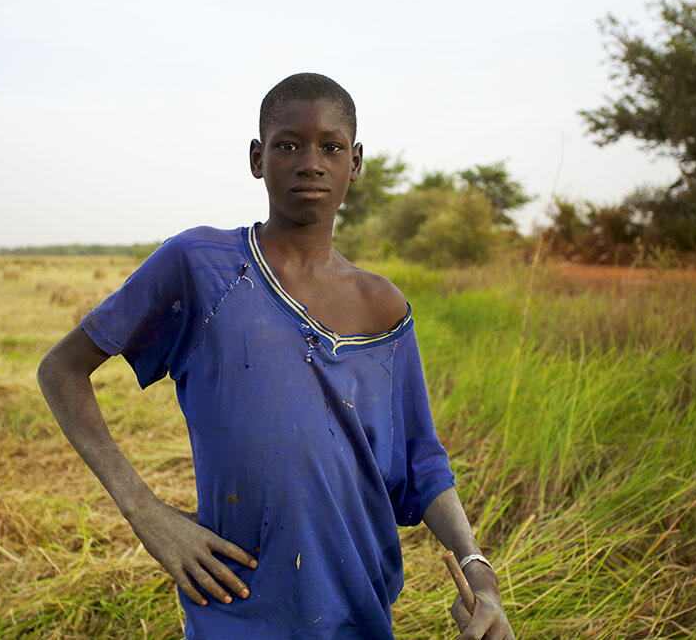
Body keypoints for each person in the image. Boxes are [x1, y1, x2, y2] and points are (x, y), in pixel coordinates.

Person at [36, 73, 514, 639]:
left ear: (355, 162)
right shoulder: (202, 266)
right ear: (258, 158)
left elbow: (421, 462)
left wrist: (480, 576)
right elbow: (61, 371)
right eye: (288, 144)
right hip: (237, 603)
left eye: (331, 147)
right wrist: (147, 514)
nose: (310, 162)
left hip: (358, 610)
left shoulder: (381, 306)